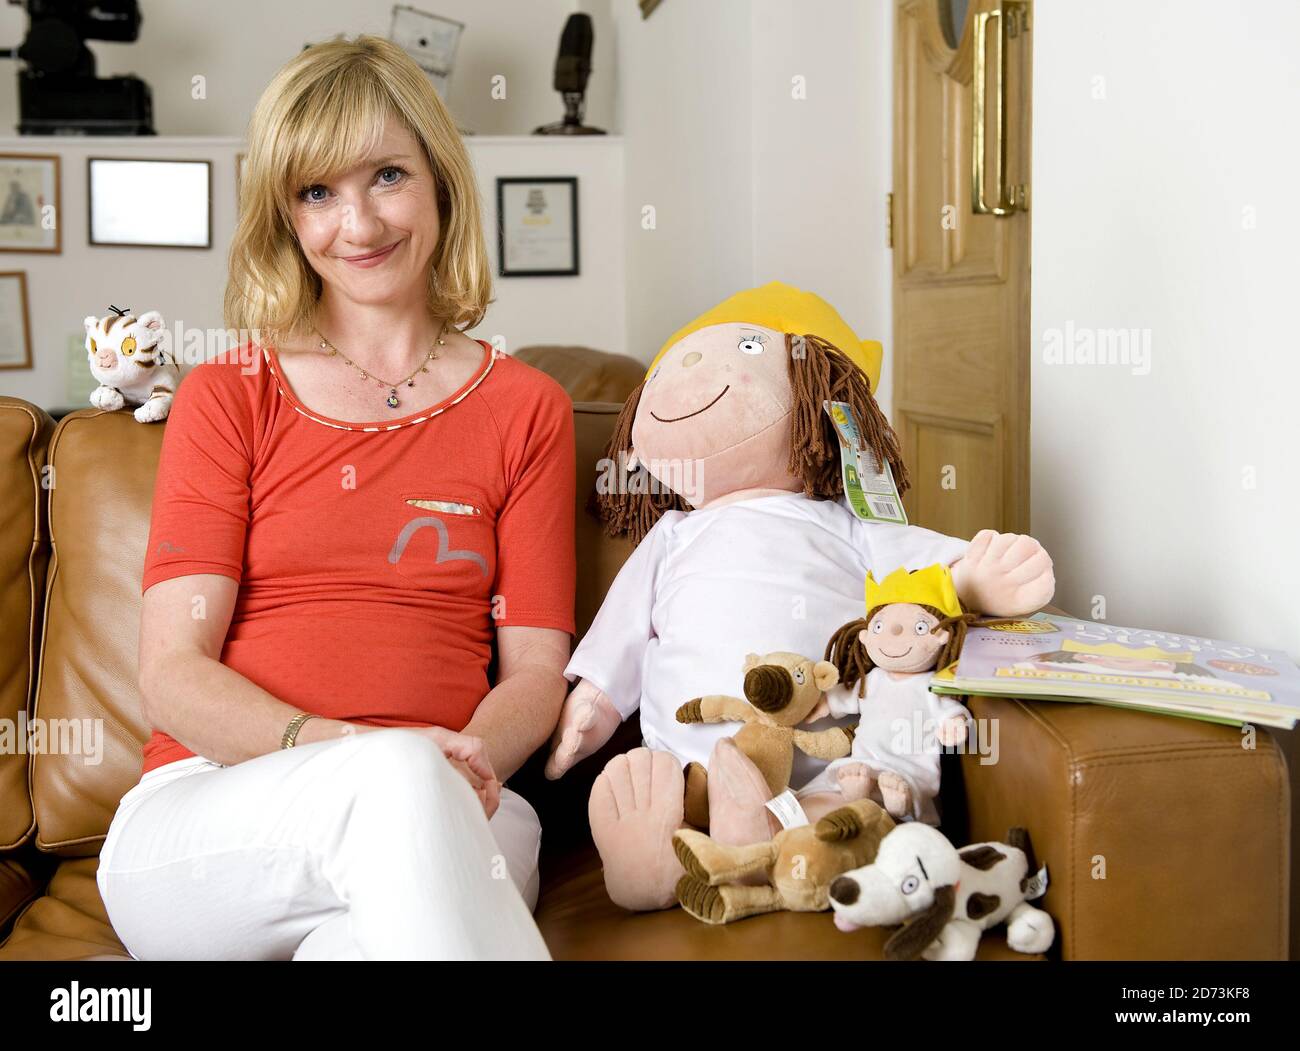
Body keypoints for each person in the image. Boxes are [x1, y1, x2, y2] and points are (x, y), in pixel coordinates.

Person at [95, 35, 576, 961]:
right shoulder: (228, 393)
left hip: (463, 802)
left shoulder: (527, 408)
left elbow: (533, 674)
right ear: (285, 215)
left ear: (439, 179)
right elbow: (173, 669)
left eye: (387, 175)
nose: (357, 224)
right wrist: (364, 754)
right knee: (395, 781)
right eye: (317, 192)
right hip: (210, 812)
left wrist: (458, 770)